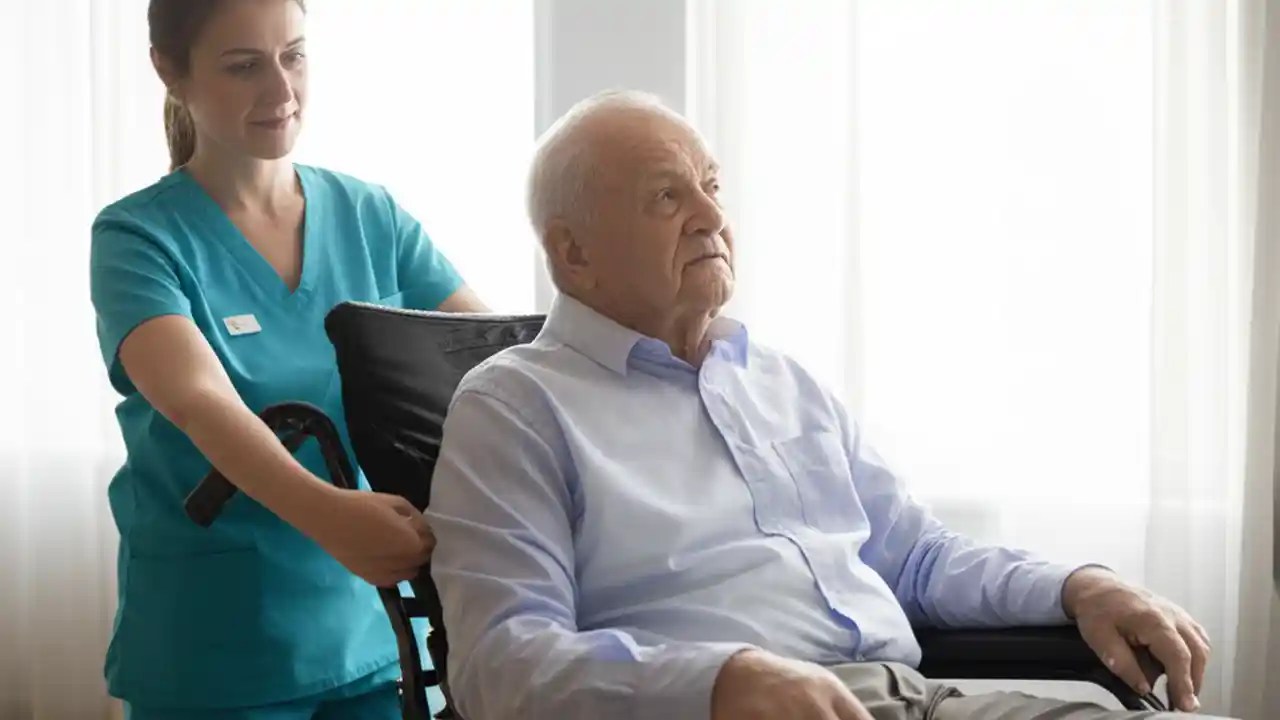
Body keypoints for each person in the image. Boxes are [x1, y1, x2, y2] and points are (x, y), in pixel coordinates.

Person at [426, 90, 1220, 720]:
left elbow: (916, 558)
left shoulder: (777, 379)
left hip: (909, 700)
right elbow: (502, 666)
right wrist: (716, 684)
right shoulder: (515, 407)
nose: (712, 218)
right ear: (573, 252)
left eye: (710, 187)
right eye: (667, 199)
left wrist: (1078, 584)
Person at [89, 1, 487, 717]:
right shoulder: (137, 238)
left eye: (294, 55)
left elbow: (489, 360)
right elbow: (198, 401)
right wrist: (332, 518)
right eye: (244, 66)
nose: (281, 91)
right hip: (215, 645)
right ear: (168, 71)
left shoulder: (372, 217)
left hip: (372, 629)